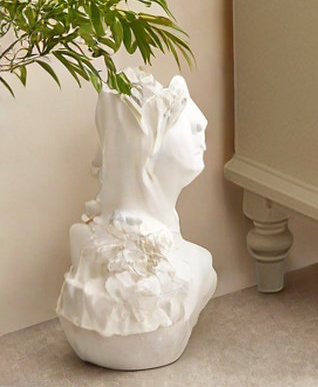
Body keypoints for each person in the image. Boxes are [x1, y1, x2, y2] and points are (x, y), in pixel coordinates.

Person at [57, 71, 217, 370]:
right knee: (202, 266)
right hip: (157, 348)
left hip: (87, 346)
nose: (201, 123)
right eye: (176, 115)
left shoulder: (82, 234)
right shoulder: (198, 264)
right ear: (147, 147)